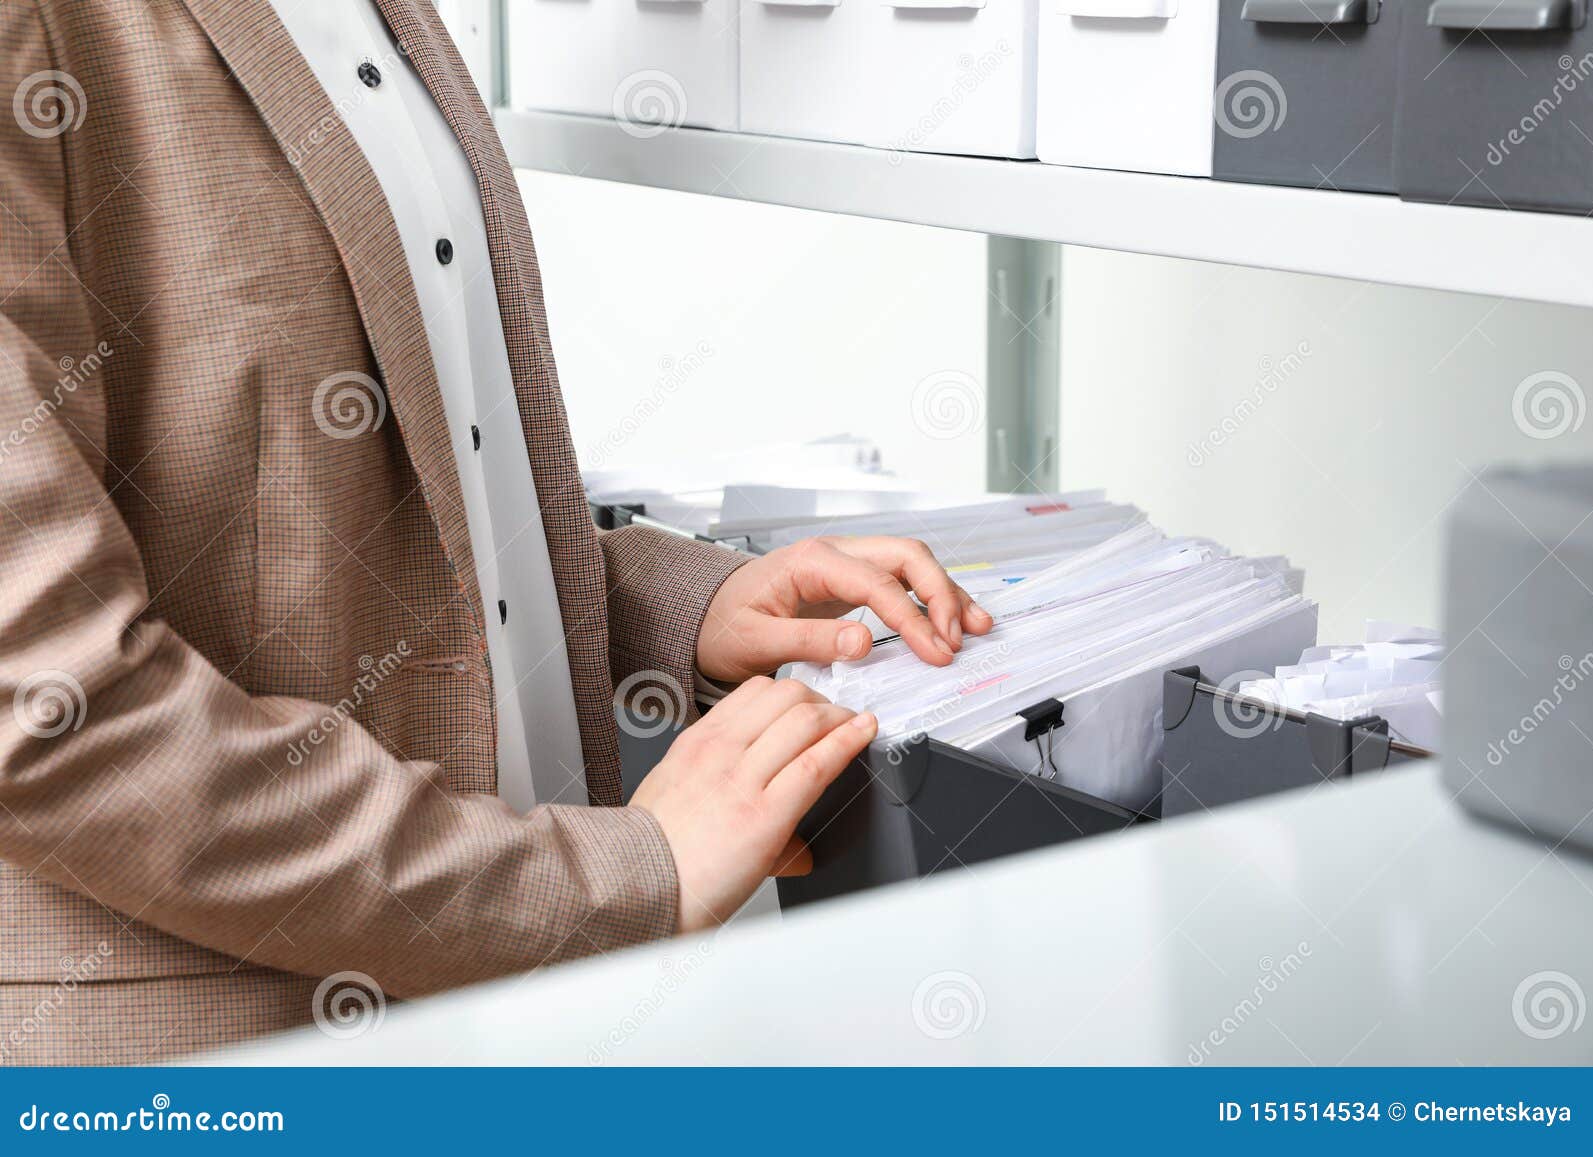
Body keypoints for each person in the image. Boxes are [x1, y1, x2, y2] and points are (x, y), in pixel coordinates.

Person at [0, 0, 990, 1064]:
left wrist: (675, 603)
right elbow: (45, 701)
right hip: (236, 1045)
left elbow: (365, 507)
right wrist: (612, 885)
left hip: (522, 1023)